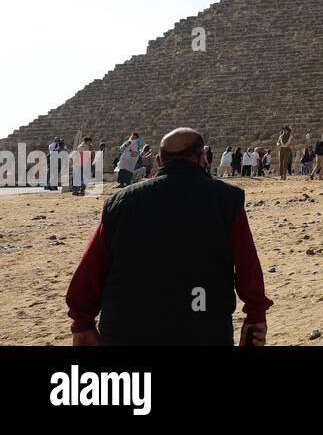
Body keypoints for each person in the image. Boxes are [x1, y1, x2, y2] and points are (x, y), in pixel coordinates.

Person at [65, 128, 272, 346]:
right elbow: (247, 265)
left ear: (157, 161)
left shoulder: (121, 202)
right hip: (202, 327)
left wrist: (82, 322)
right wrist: (255, 314)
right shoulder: (227, 200)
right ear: (202, 158)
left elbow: (90, 268)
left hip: (127, 329)